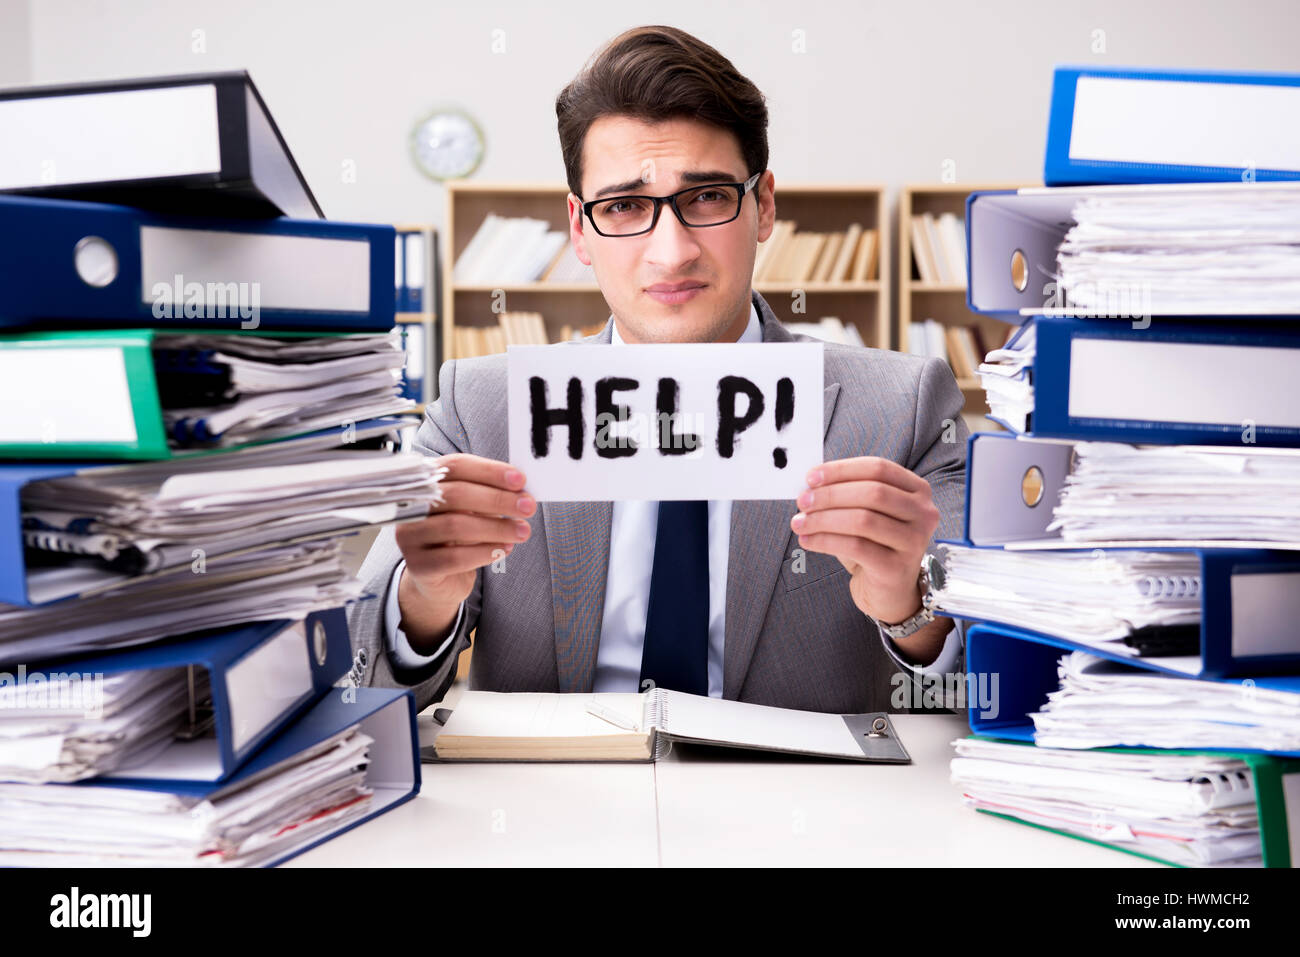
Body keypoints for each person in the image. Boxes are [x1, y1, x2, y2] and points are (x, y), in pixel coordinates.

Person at [349, 24, 969, 714]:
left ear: (763, 205)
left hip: (804, 813)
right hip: (548, 809)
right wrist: (426, 599)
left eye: (705, 197)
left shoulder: (903, 408)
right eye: (624, 207)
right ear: (580, 230)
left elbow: (988, 681)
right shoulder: (480, 409)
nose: (670, 253)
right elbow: (355, 679)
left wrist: (913, 607)